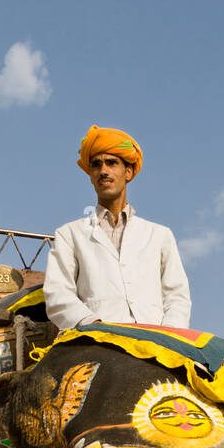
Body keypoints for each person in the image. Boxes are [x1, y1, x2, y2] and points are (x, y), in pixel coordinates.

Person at [44, 125, 192, 332]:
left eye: (111, 163)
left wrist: (168, 335)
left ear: (128, 172)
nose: (103, 171)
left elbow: (177, 296)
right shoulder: (69, 234)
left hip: (157, 344)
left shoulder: (159, 235)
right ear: (91, 175)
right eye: (96, 165)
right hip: (95, 343)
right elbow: (57, 293)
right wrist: (93, 326)